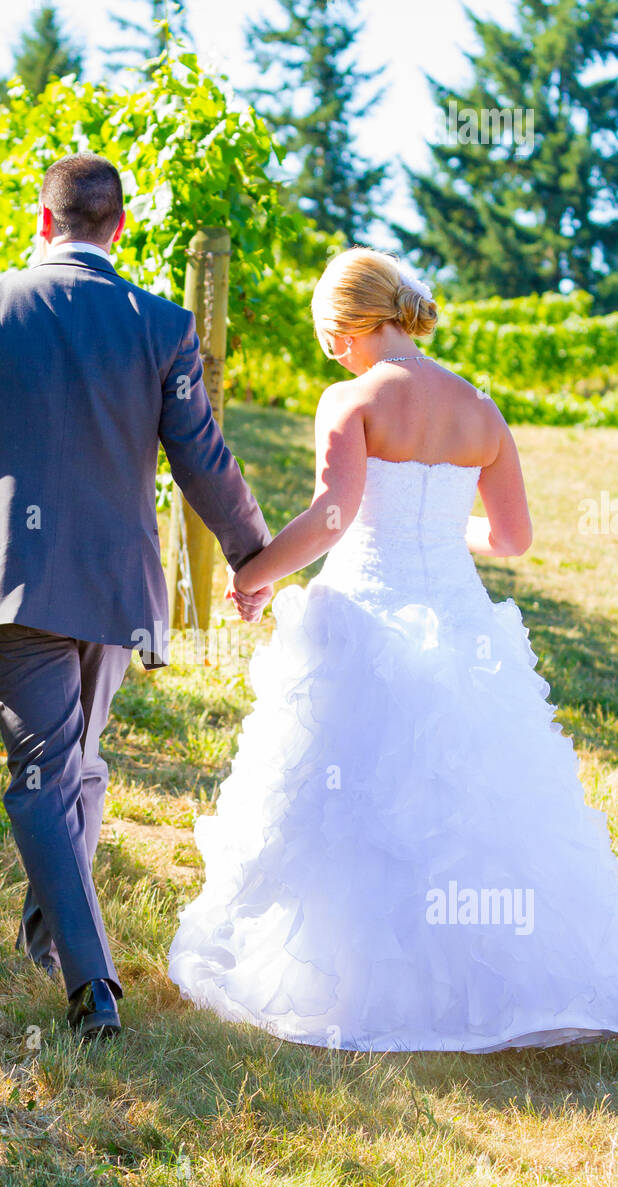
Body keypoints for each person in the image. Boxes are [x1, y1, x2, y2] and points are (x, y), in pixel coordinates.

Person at [169, 247, 618, 1053]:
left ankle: (356, 983)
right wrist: (447, 531)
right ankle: (498, 984)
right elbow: (513, 537)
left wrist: (256, 572)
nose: (327, 350)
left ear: (352, 324)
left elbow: (333, 517)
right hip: (460, 620)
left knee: (349, 792)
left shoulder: (351, 399)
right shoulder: (480, 410)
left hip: (366, 618)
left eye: (326, 333)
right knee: (468, 800)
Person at [0, 152, 271, 1039]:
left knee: (55, 774)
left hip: (4, 580)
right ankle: (63, 942)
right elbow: (204, 458)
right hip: (114, 586)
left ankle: (87, 981)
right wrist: (250, 553)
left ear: (43, 221)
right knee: (70, 769)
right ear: (119, 228)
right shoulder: (161, 324)